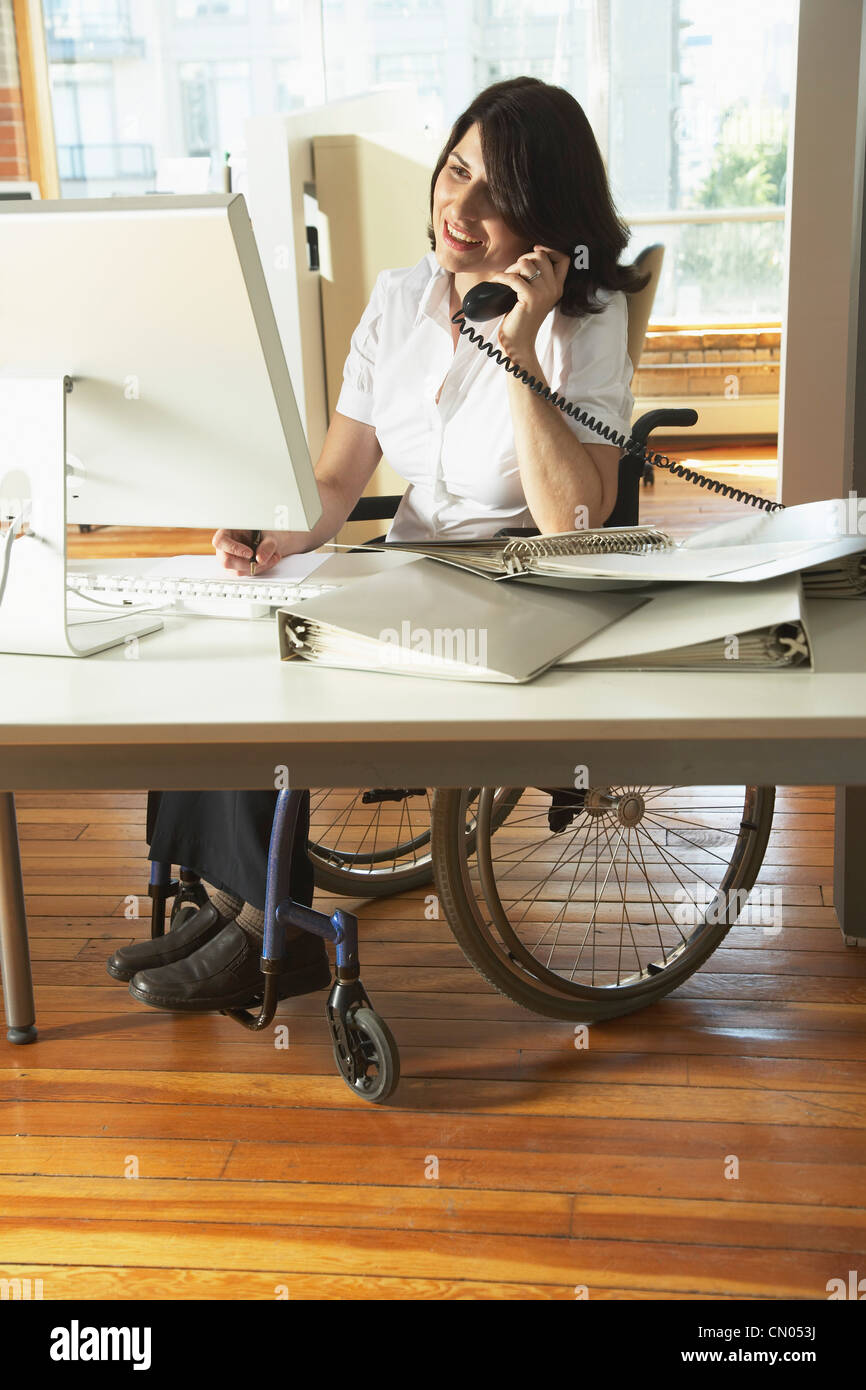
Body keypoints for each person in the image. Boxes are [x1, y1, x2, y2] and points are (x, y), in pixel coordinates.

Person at [106, 75, 649, 1013]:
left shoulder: (582, 325)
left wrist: (518, 348)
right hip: (406, 565)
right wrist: (274, 532)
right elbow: (335, 481)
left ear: (550, 217)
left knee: (283, 665)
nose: (461, 209)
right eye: (455, 172)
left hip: (512, 588)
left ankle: (262, 932)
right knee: (222, 626)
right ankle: (234, 897)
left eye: (499, 194)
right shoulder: (400, 300)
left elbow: (574, 522)